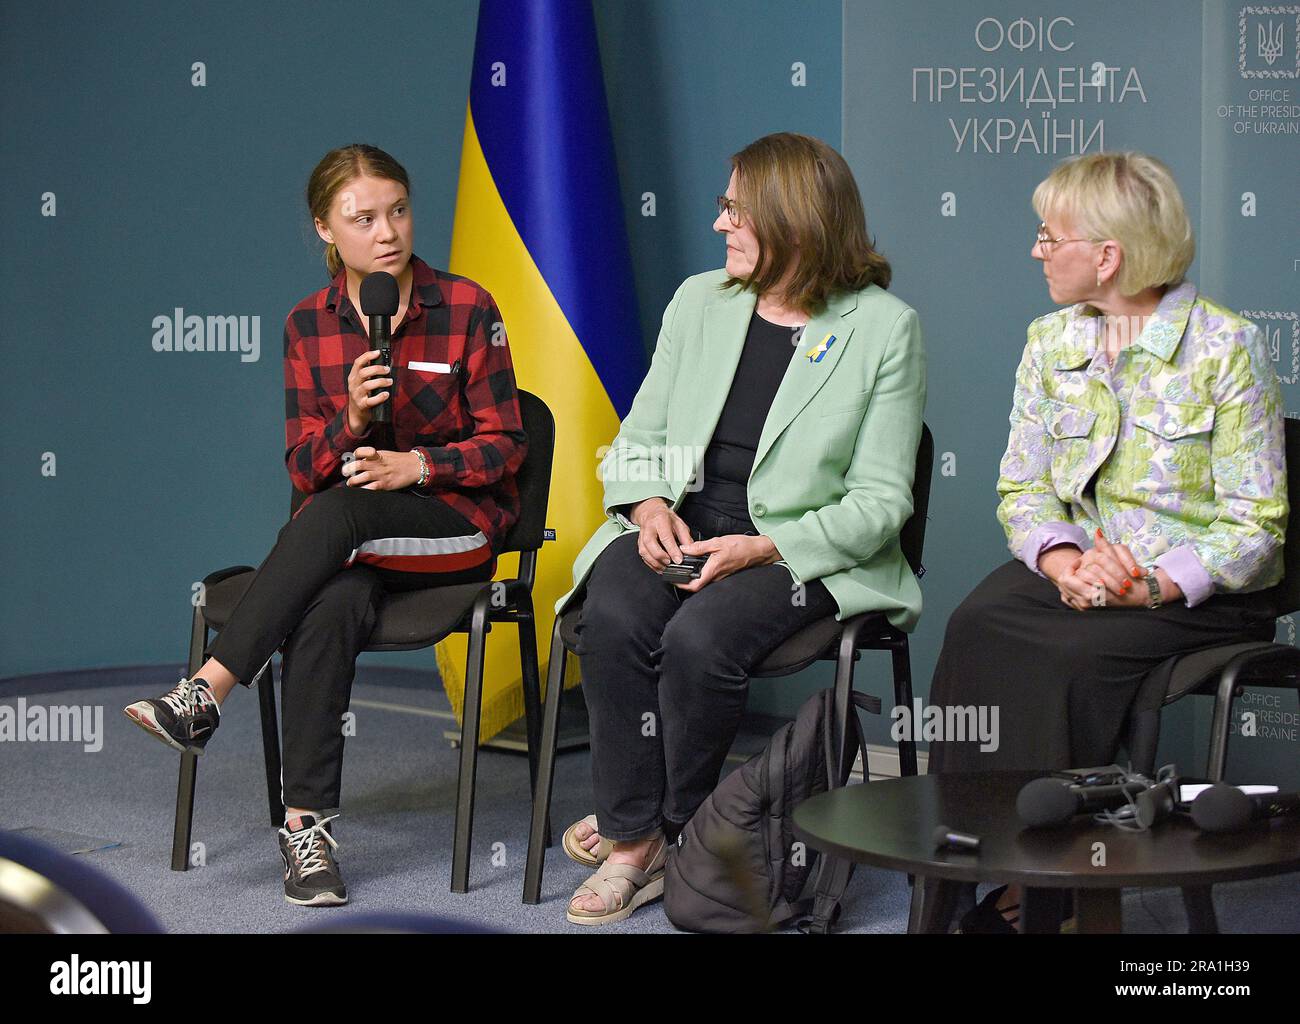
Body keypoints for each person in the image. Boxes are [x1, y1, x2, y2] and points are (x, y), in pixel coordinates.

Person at [123, 144, 528, 906]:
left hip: (456, 529)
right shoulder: (307, 325)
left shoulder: (469, 306)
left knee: (334, 517)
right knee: (331, 599)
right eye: (363, 218)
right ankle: (306, 834)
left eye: (398, 210)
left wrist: (420, 468)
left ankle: (208, 690)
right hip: (348, 544)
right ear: (325, 229)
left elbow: (508, 443)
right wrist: (350, 418)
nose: (388, 233)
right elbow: (304, 468)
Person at [555, 132, 926, 926]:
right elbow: (640, 438)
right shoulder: (700, 300)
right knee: (612, 614)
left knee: (699, 640)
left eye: (735, 210)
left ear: (792, 223)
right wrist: (650, 506)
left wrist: (766, 547)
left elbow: (883, 500)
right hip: (684, 520)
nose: (720, 223)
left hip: (798, 545)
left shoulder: (883, 327)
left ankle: (689, 831)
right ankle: (632, 842)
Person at [928, 151, 1287, 932]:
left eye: (1048, 236)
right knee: (975, 624)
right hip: (1081, 567)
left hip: (1193, 592)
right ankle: (965, 863)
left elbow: (1257, 525)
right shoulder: (1050, 340)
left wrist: (1152, 584)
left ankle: (1055, 894)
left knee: (1067, 659)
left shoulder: (1228, 346)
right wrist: (1064, 560)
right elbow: (1023, 489)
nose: (1036, 250)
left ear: (1108, 256)